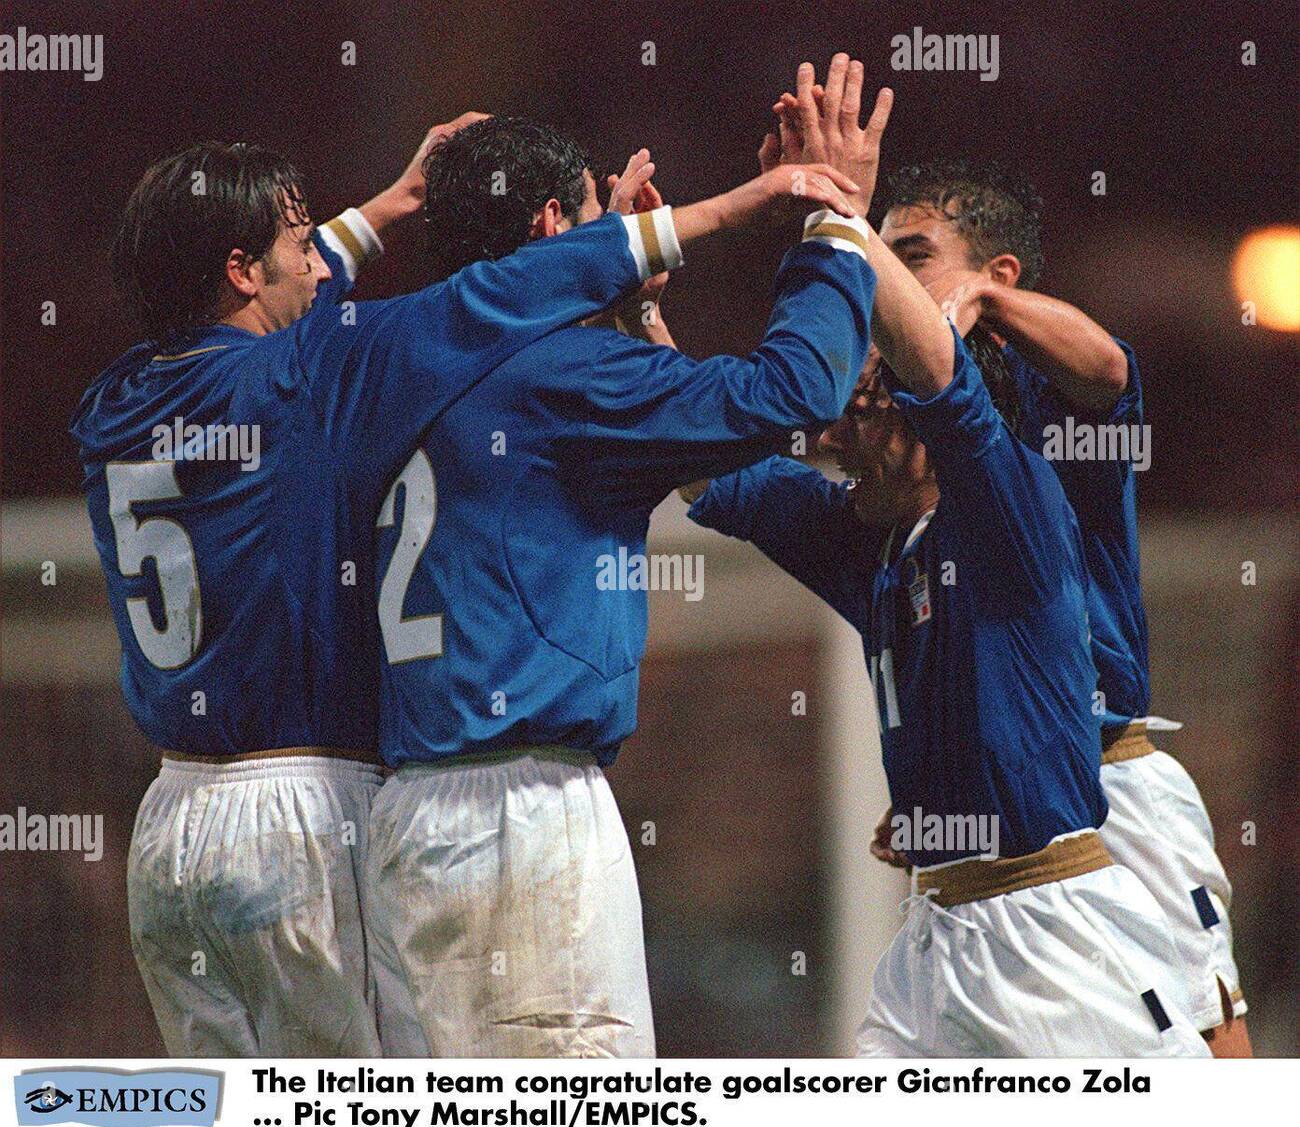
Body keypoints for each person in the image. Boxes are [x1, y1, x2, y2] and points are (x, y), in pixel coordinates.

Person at [72, 115, 811, 1056]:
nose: (320, 265)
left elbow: (255, 303)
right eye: (301, 248)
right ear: (241, 272)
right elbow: (493, 297)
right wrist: (745, 206)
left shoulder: (112, 402)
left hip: (169, 830)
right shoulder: (310, 369)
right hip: (302, 814)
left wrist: (388, 204)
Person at [685, 55, 1209, 1056]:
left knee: (1215, 1076)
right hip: (947, 912)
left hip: (1089, 834)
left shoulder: (1031, 462)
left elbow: (1097, 369)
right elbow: (693, 452)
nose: (844, 400)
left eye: (910, 256)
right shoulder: (871, 536)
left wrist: (835, 212)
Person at [363, 98, 885, 1057]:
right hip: (522, 825)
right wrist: (834, 222)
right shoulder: (569, 376)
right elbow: (791, 393)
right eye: (599, 224)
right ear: (554, 230)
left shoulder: (387, 353)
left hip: (400, 824)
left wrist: (634, 303)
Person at [865, 156, 1249, 1054]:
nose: (888, 277)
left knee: (1209, 1049)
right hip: (1021, 813)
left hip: (1113, 780)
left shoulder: (1052, 399)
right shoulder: (920, 430)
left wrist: (982, 312)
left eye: (915, 254)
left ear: (998, 274)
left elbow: (1110, 365)